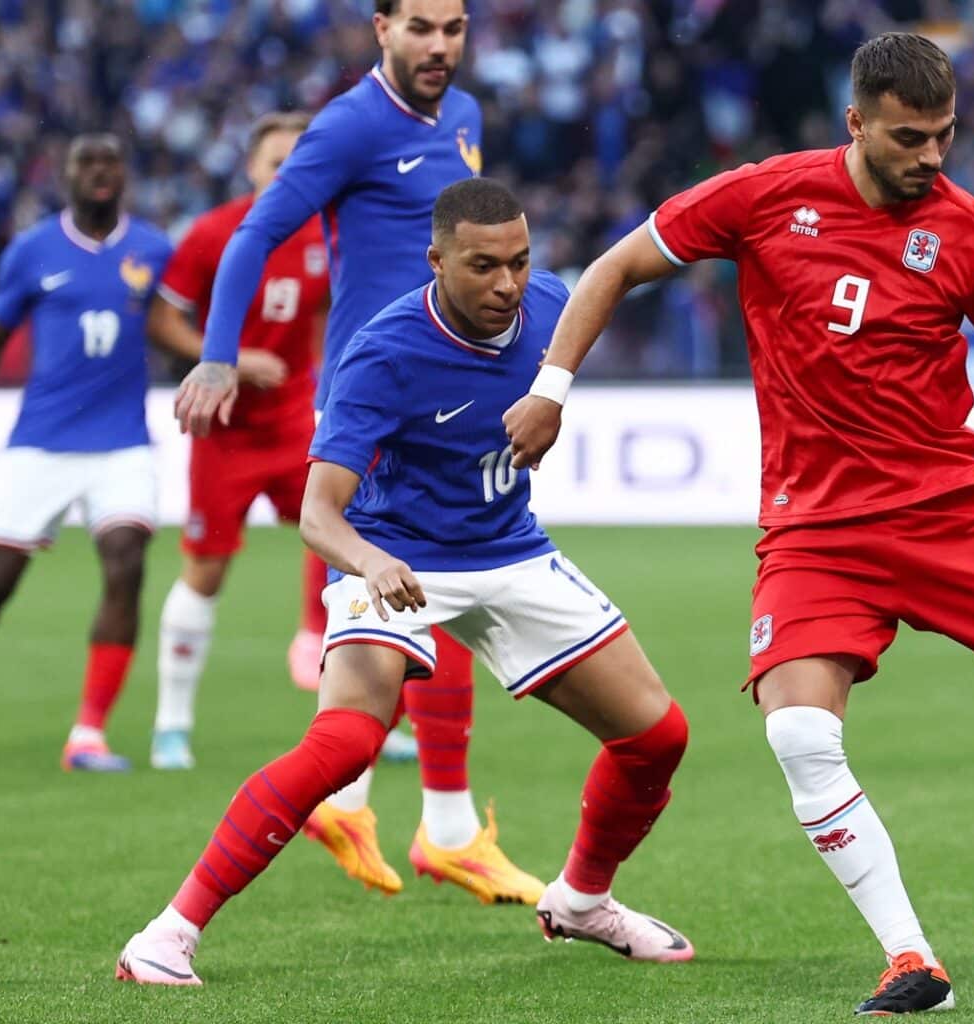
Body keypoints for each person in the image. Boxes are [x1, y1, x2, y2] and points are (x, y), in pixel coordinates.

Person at [503, 32, 974, 1016]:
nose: (931, 157)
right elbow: (610, 270)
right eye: (909, 138)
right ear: (856, 123)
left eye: (942, 136)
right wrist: (553, 388)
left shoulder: (970, 235)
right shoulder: (764, 196)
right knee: (800, 731)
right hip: (816, 535)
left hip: (950, 520)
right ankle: (912, 961)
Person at [117, 179, 694, 985]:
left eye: (521, 263)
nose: (508, 285)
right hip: (394, 554)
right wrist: (370, 561)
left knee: (657, 737)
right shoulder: (385, 353)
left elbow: (606, 286)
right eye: (484, 266)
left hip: (509, 549)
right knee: (348, 741)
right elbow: (319, 515)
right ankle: (168, 933)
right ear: (437, 261)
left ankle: (582, 901)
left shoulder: (553, 304)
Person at [170, 0, 538, 902]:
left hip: (450, 398)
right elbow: (256, 231)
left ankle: (411, 816)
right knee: (428, 584)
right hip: (376, 405)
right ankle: (413, 818)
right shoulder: (349, 126)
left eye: (453, 28)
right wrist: (218, 353)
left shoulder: (464, 118)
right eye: (420, 27)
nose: (439, 45)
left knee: (437, 592)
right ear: (381, 29)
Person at [0, 135, 173, 772]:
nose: (101, 173)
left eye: (112, 163)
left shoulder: (155, 249)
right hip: (40, 443)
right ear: (65, 175)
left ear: (124, 175)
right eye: (87, 164)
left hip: (123, 441)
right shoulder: (32, 251)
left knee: (126, 562)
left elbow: (176, 325)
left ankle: (88, 735)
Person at [144, 111, 334, 772]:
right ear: (252, 169)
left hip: (292, 425)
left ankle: (354, 712)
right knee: (206, 570)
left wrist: (321, 389)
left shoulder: (324, 233)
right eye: (274, 163)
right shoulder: (213, 234)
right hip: (223, 434)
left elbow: (327, 315)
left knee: (346, 536)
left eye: (296, 162)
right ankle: (171, 726)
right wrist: (227, 356)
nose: (285, 174)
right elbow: (163, 320)